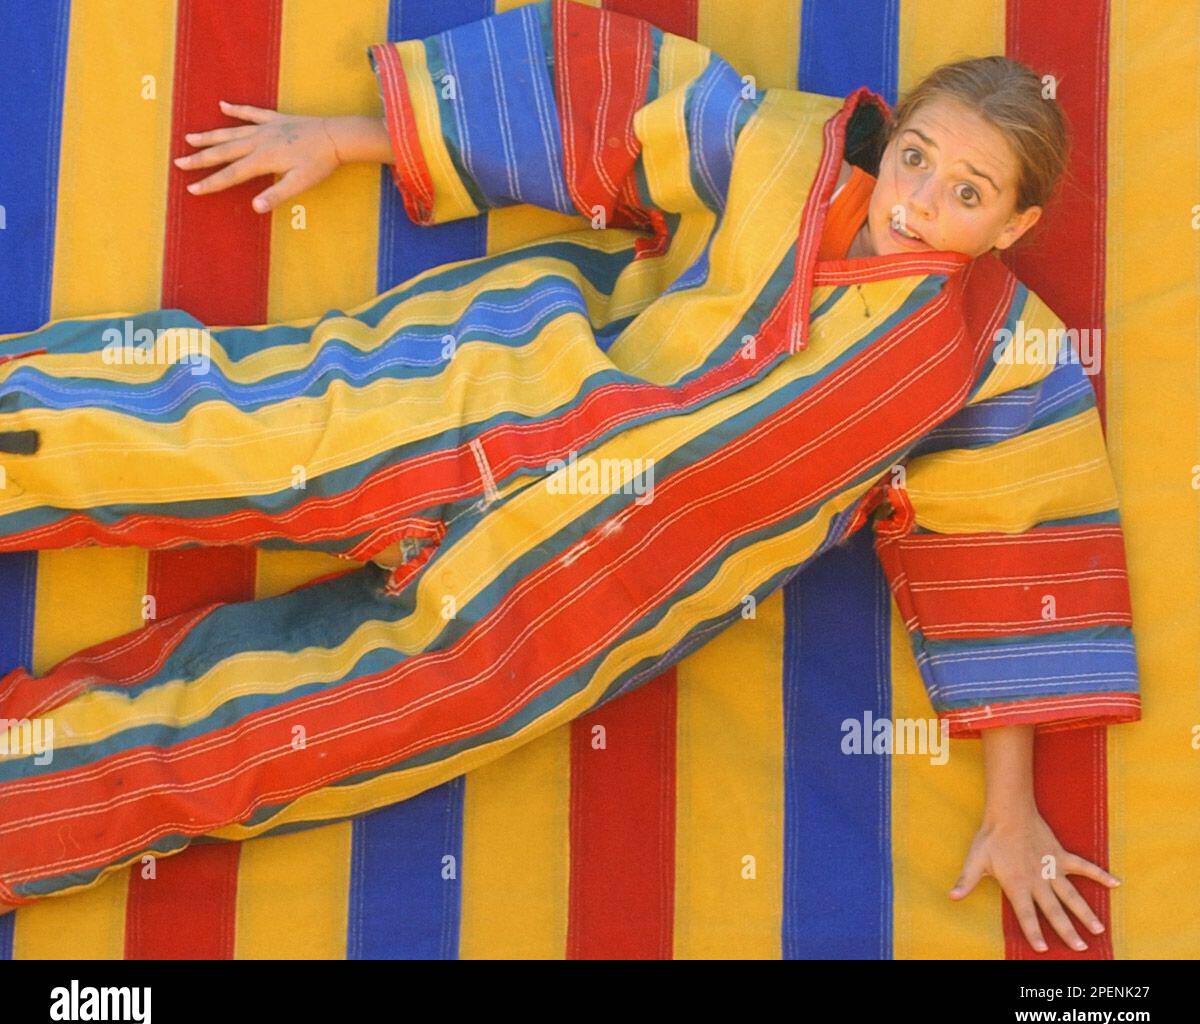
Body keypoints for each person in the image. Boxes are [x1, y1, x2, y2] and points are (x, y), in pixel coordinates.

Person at [0, 0, 1139, 955]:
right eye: (917, 159)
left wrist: (1010, 810)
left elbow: (1008, 556)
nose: (919, 201)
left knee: (266, 737)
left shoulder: (1000, 363)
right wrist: (346, 139)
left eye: (968, 193)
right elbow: (612, 112)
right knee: (188, 425)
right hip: (483, 397)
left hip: (564, 604)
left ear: (1017, 224)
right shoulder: (789, 146)